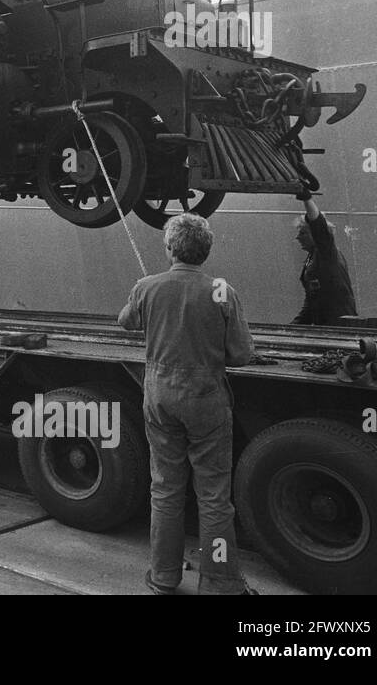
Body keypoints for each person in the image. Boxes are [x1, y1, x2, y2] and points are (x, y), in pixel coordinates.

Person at [117, 213, 255, 595]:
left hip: (160, 397)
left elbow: (125, 322)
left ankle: (163, 576)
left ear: (169, 248)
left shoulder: (147, 286)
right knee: (213, 496)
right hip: (206, 400)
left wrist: (145, 297)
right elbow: (241, 355)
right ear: (205, 252)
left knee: (165, 489)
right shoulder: (222, 291)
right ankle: (220, 582)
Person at [293, 191, 357, 325]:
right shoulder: (312, 258)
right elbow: (311, 302)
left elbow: (319, 227)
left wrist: (307, 200)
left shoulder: (327, 253)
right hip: (325, 326)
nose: (298, 238)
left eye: (303, 233)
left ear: (314, 235)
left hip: (339, 326)